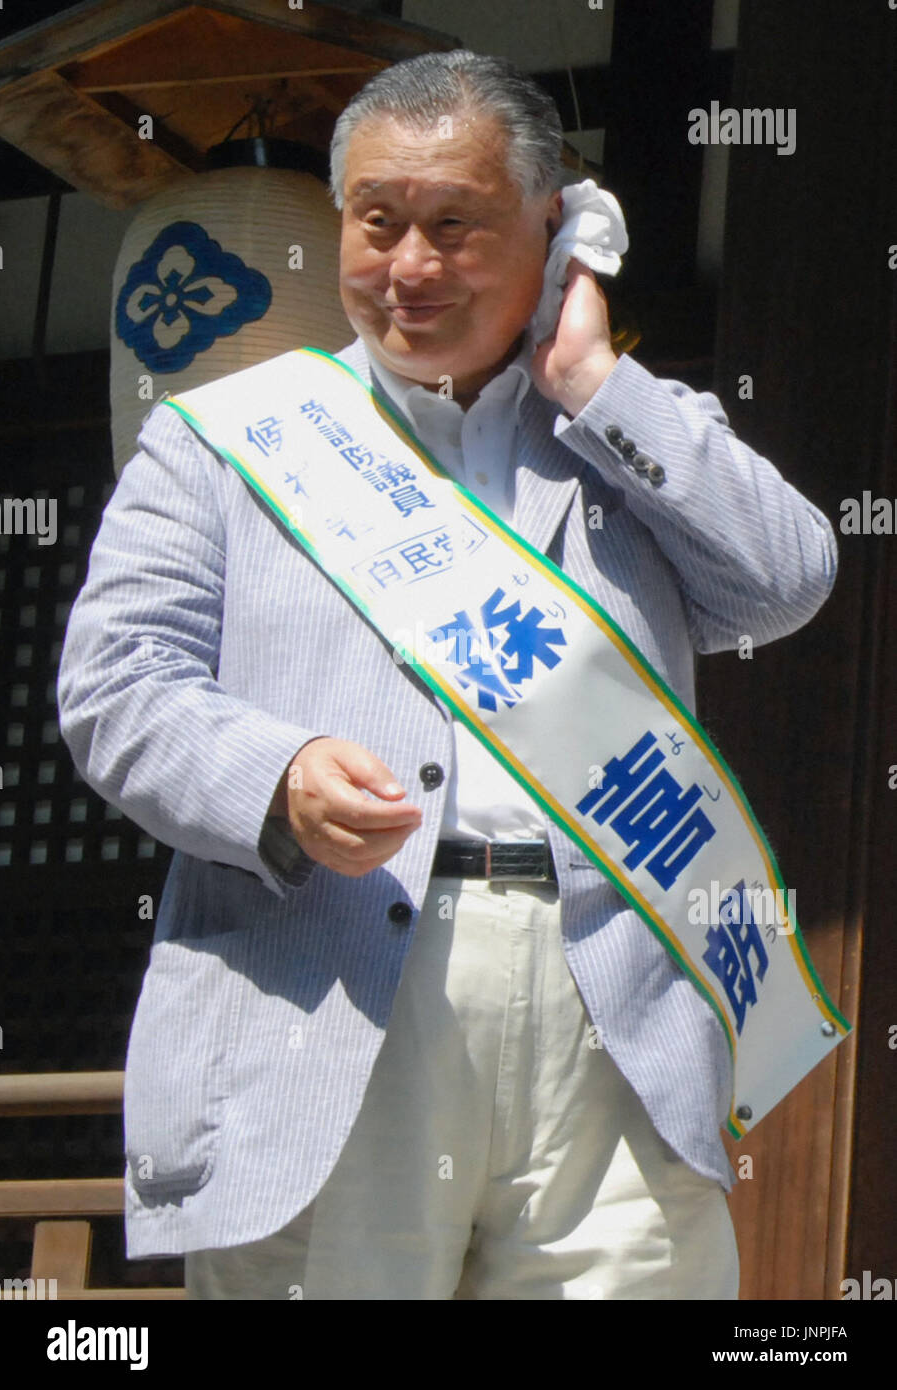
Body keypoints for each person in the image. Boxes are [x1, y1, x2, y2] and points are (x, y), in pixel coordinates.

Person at [57, 50, 837, 1300]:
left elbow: (787, 580)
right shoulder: (224, 441)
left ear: (556, 228)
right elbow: (116, 687)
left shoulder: (620, 437)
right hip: (332, 981)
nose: (408, 268)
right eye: (377, 223)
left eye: (455, 226)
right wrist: (279, 773)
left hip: (612, 1004)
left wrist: (588, 374)